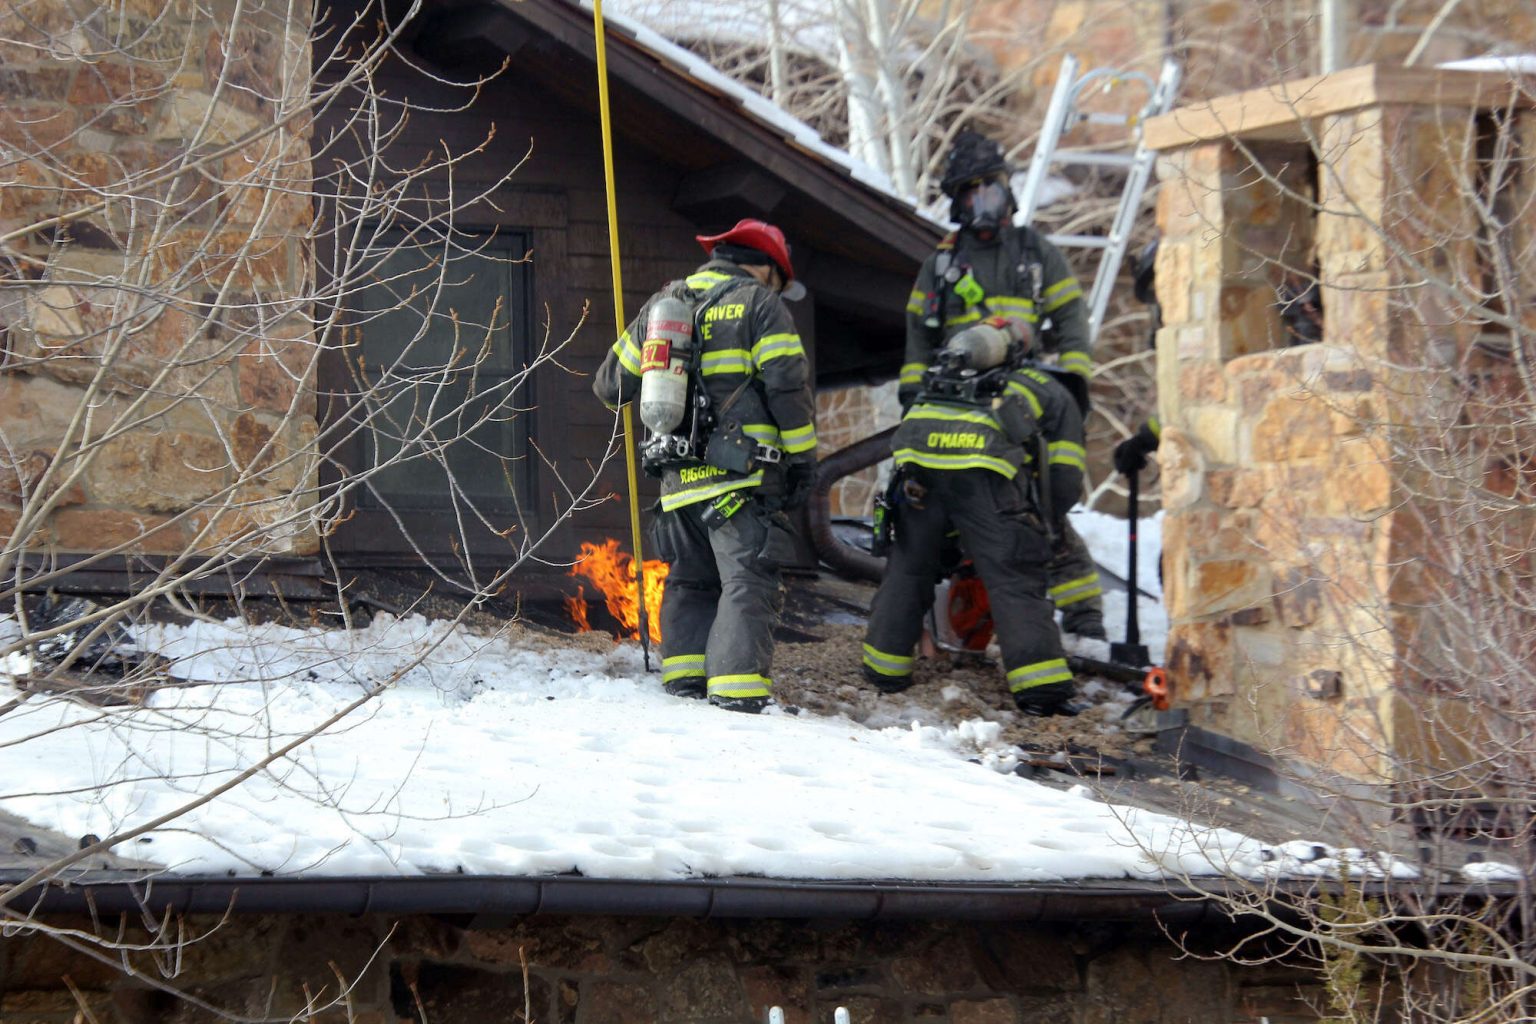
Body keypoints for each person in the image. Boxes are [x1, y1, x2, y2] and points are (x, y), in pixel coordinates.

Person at [592, 218, 817, 714]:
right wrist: (802, 460)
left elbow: (610, 385)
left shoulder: (665, 305)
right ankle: (737, 692)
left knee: (690, 580)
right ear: (765, 266)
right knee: (747, 580)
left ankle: (685, 678)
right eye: (778, 278)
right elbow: (786, 386)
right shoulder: (760, 303)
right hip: (741, 478)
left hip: (676, 482)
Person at [900, 130, 1106, 640]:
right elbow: (917, 342)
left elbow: (1072, 321)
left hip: (1023, 396)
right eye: (972, 191)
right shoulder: (940, 267)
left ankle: (1084, 619)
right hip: (956, 402)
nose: (984, 200)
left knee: (1039, 502)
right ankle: (957, 612)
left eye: (991, 187)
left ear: (1007, 190)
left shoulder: (1037, 255)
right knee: (946, 503)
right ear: (958, 202)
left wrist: (1074, 386)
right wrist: (914, 402)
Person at [861, 317, 1082, 718]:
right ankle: (1042, 691)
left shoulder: (940, 383)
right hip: (984, 477)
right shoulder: (1046, 389)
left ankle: (883, 671)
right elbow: (1065, 475)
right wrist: (1043, 522)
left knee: (908, 569)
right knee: (1014, 577)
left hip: (918, 474)